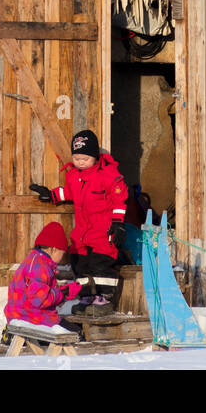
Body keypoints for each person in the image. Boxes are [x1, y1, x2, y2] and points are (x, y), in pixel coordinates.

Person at [30, 129, 128, 309]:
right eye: (77, 158)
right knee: (79, 262)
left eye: (85, 159)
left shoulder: (107, 174)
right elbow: (68, 192)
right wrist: (52, 195)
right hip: (82, 231)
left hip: (103, 230)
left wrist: (117, 223)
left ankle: (103, 297)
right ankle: (86, 296)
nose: (81, 162)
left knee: (100, 263)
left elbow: (119, 198)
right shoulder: (74, 175)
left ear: (95, 157)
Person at [4, 221, 83, 334]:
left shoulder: (35, 260)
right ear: (54, 249)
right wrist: (63, 293)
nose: (63, 257)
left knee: (73, 329)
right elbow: (39, 300)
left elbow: (41, 294)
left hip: (25, 317)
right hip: (33, 321)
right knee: (77, 334)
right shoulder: (39, 266)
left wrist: (64, 292)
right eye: (63, 252)